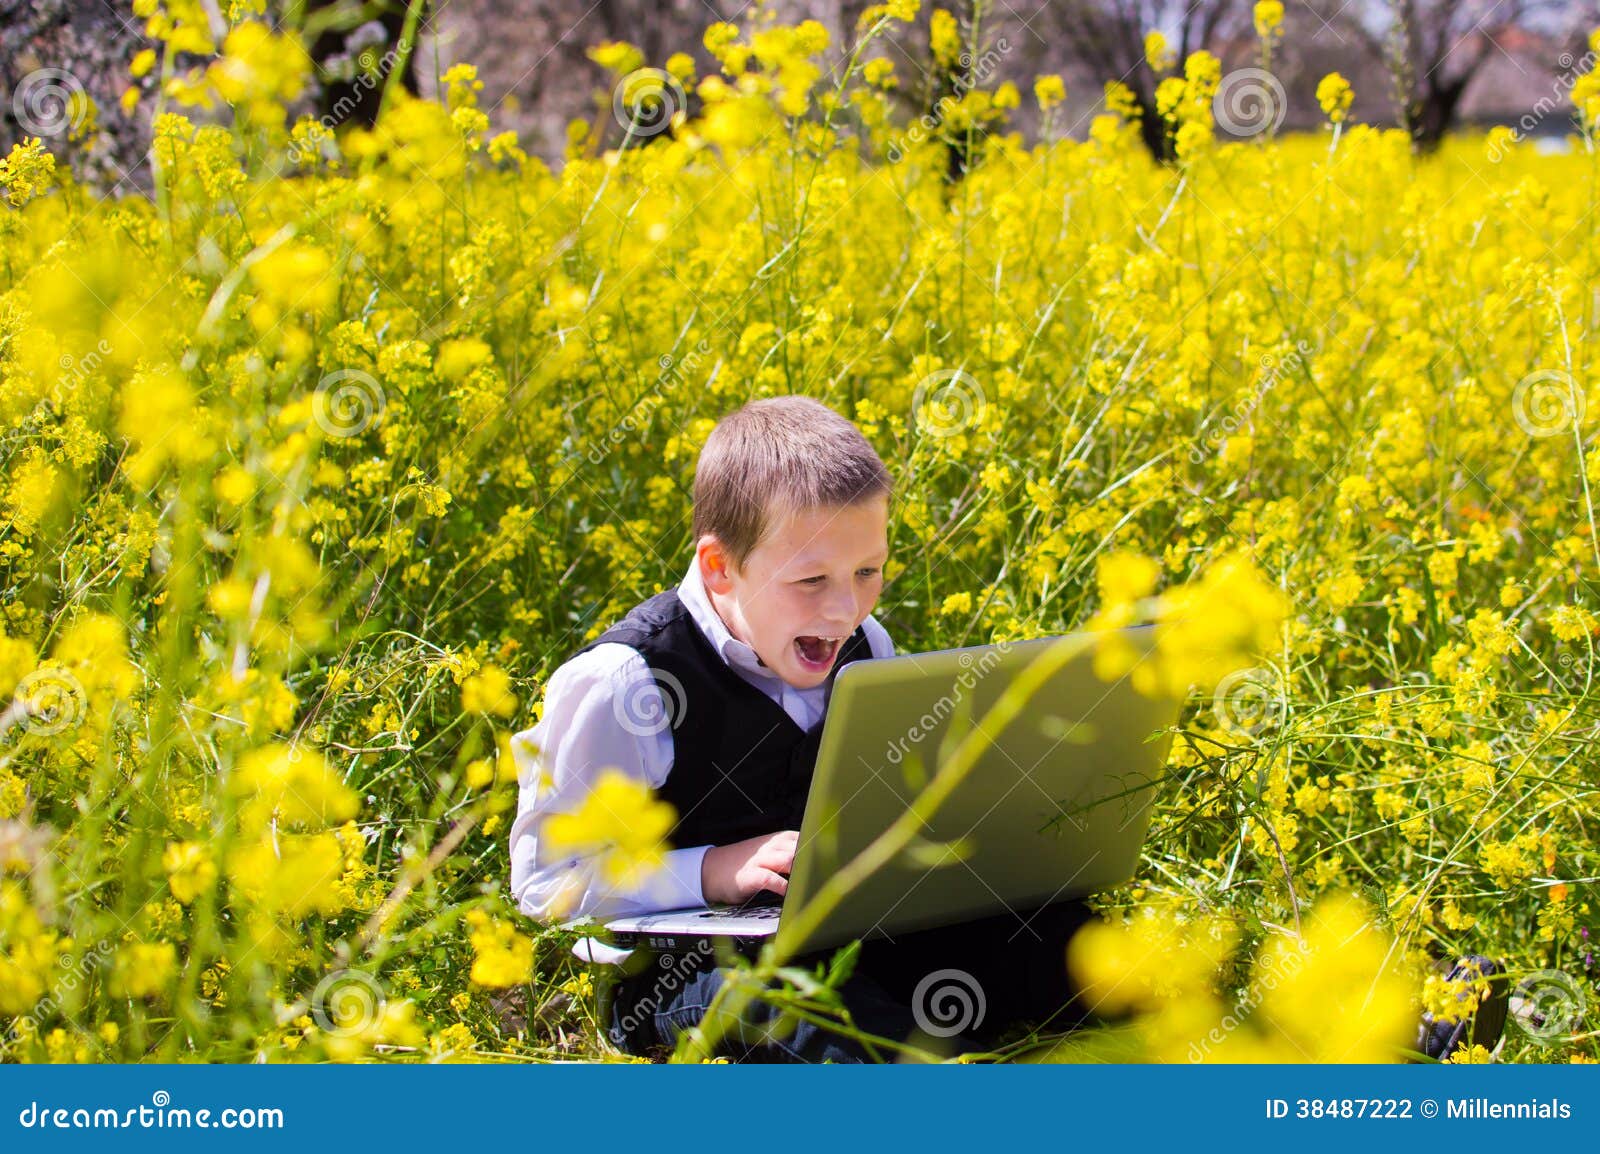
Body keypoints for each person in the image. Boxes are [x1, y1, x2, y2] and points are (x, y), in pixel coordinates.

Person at [507, 395, 1097, 1061]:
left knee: (1065, 943)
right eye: (811, 579)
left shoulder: (865, 645)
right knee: (805, 1015)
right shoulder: (626, 683)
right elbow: (545, 884)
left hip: (842, 936)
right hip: (684, 974)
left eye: (868, 571)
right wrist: (712, 870)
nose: (845, 609)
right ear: (720, 568)